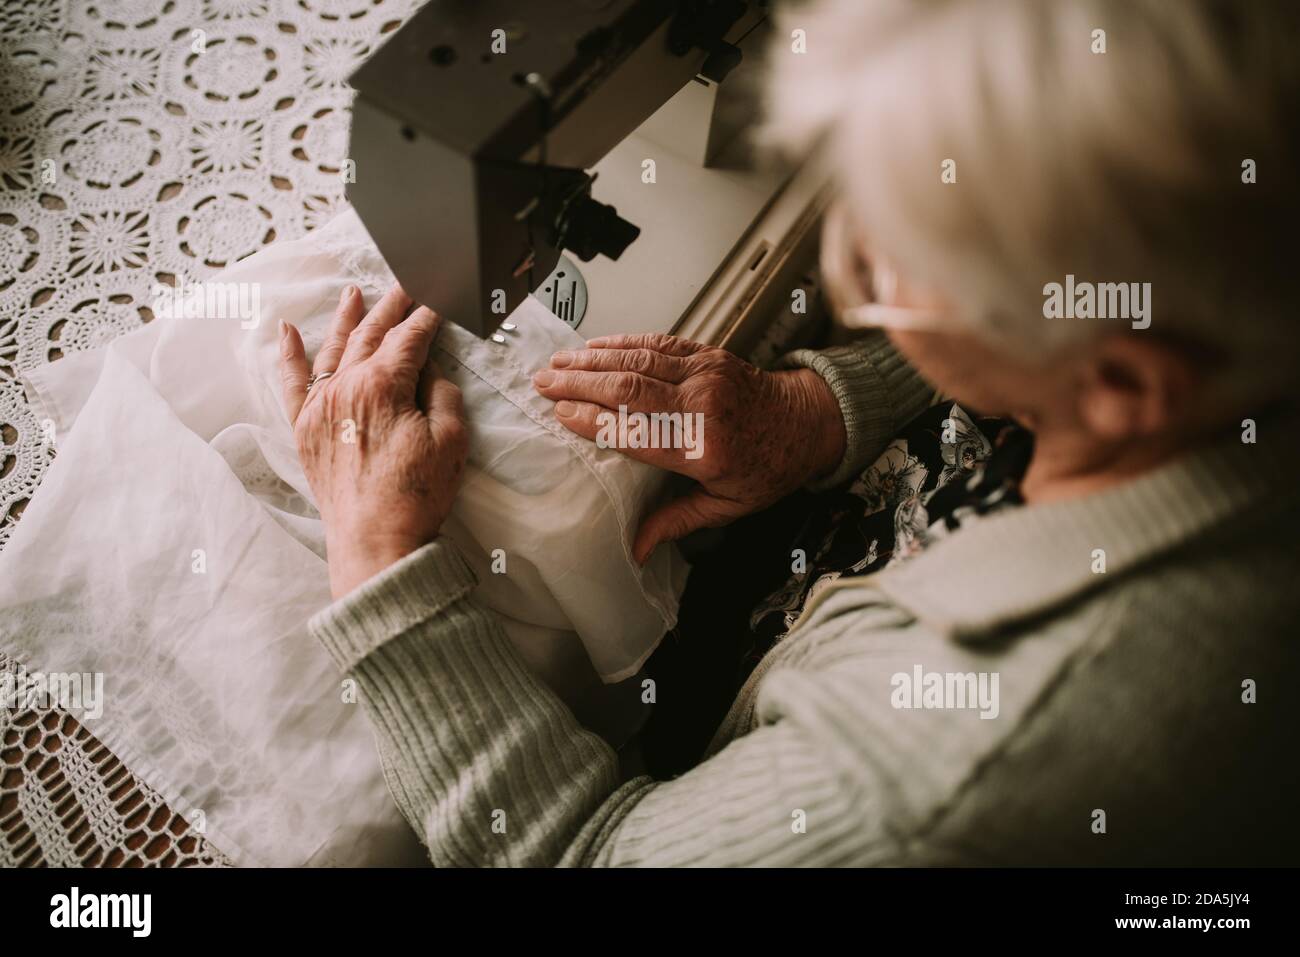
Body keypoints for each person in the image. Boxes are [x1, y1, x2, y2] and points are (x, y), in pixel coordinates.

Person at [277, 0, 1299, 865]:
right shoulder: (1230, 301)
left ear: (1120, 386)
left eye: (891, 254)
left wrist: (379, 560)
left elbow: (582, 850)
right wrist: (827, 411)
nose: (851, 273)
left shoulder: (942, 764)